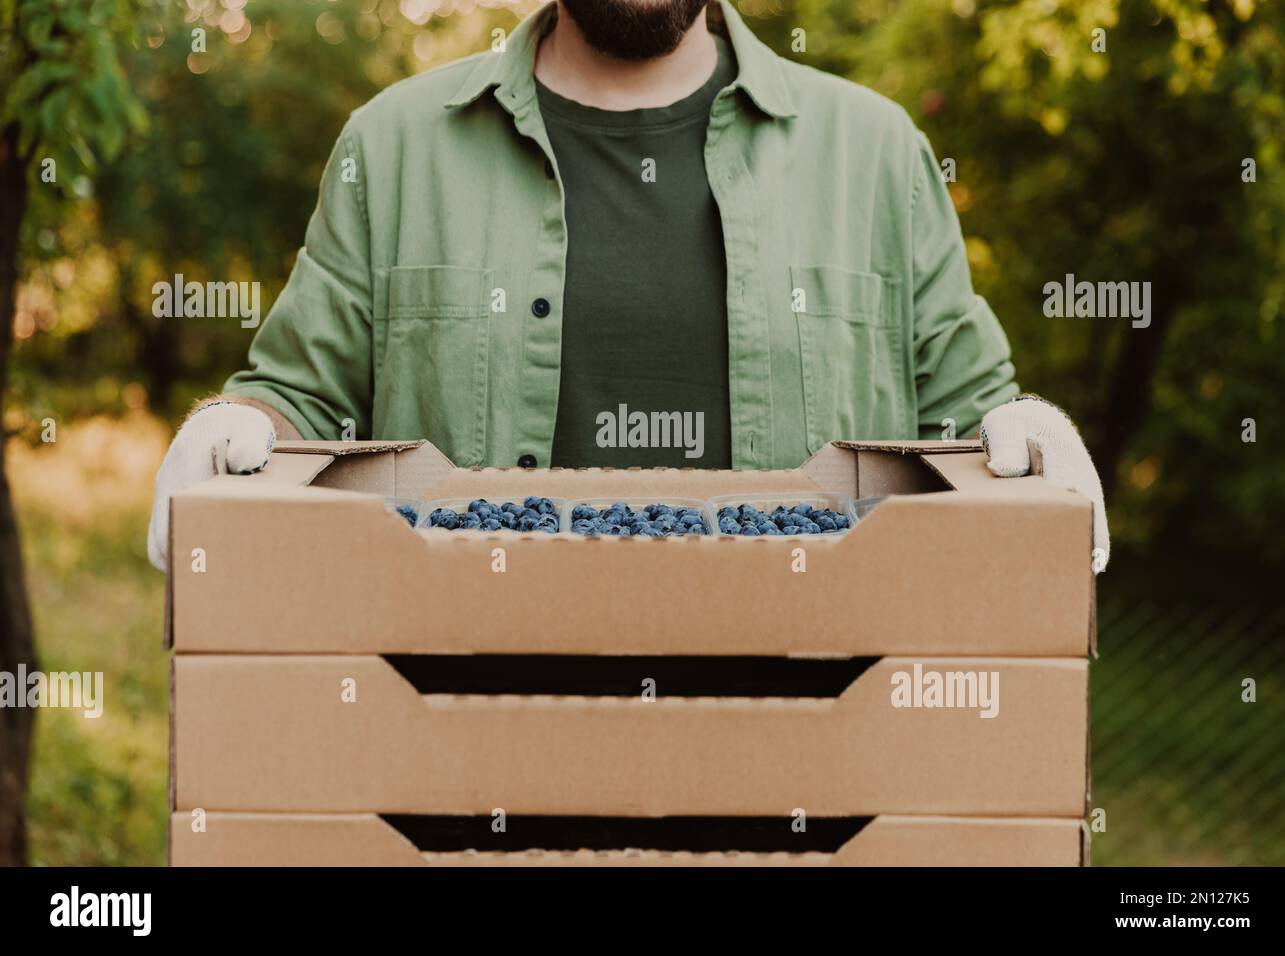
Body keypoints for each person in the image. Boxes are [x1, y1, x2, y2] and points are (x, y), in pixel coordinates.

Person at [147, 0, 1108, 572]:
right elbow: (298, 399)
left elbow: (967, 419)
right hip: (467, 770)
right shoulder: (394, 149)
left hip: (804, 779)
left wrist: (1024, 430)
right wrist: (239, 429)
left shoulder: (877, 154)